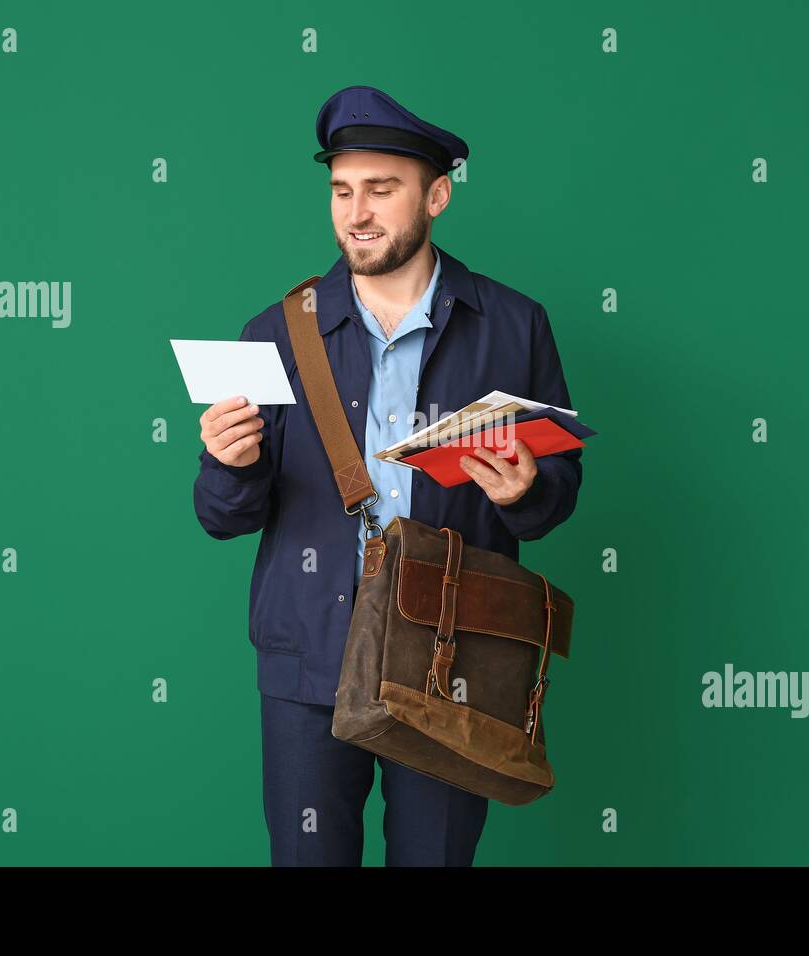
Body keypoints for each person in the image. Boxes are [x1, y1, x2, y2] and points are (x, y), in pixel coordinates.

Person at [192, 85, 582, 866]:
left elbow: (557, 496)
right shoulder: (275, 330)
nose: (357, 213)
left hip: (452, 661)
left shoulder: (514, 323)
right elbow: (222, 515)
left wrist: (525, 491)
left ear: (436, 195)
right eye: (342, 191)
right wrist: (227, 464)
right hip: (309, 658)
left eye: (381, 189)